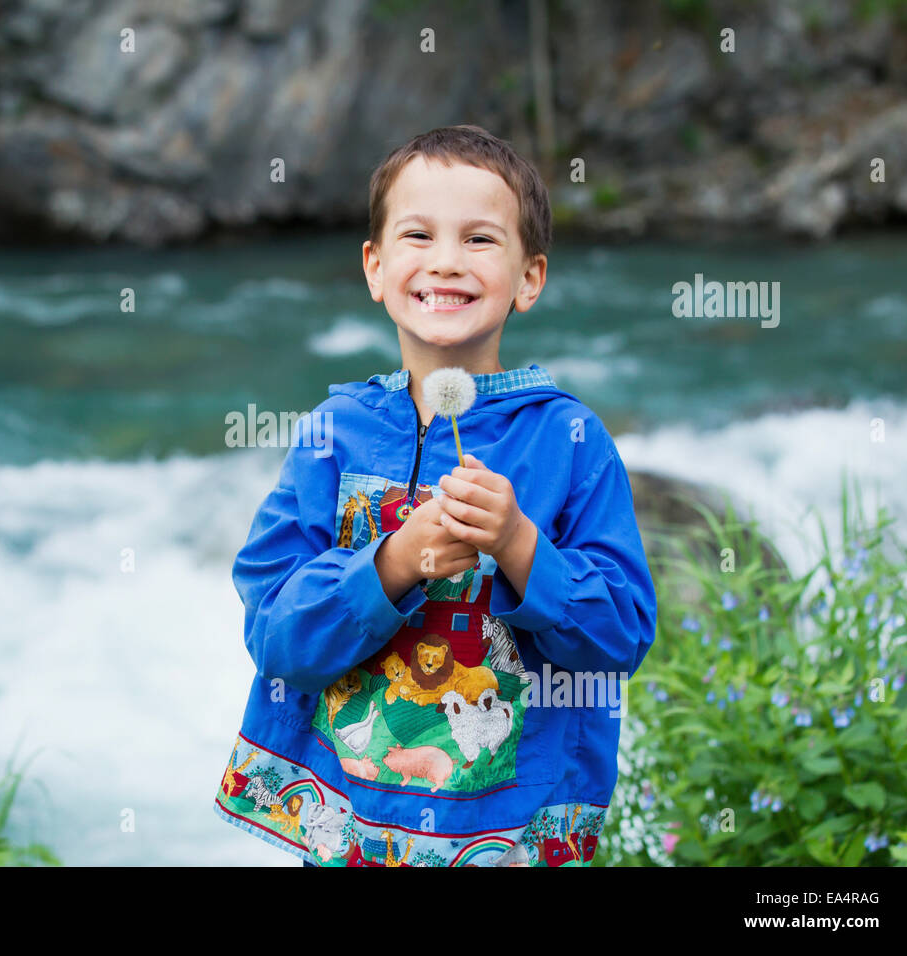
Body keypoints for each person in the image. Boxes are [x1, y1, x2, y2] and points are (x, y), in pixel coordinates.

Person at [212, 124, 657, 867]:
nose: (446, 261)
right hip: (355, 827)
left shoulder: (571, 440)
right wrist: (391, 563)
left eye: (480, 240)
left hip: (508, 834)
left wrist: (519, 546)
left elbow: (618, 641)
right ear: (376, 267)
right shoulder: (334, 432)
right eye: (419, 236)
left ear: (530, 278)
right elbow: (275, 635)